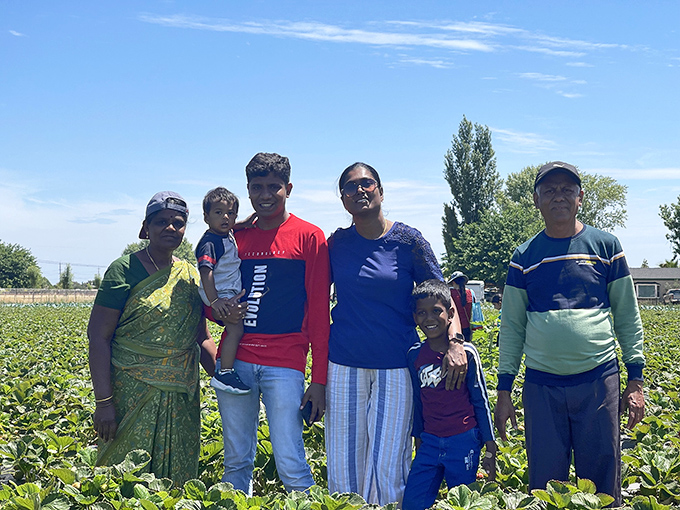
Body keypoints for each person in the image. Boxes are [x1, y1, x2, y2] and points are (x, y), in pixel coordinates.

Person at [493, 161, 645, 506]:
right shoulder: (524, 257)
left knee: (603, 481)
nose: (558, 196)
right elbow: (513, 327)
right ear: (536, 200)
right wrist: (504, 389)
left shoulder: (606, 246)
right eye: (549, 190)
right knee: (546, 485)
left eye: (567, 189)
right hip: (541, 384)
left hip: (598, 379)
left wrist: (635, 380)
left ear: (580, 198)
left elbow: (627, 316)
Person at [325, 162, 468, 506]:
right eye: (350, 187)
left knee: (390, 462)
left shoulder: (408, 241)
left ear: (380, 191)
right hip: (344, 363)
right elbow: (312, 296)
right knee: (343, 463)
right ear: (343, 200)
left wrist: (455, 342)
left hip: (398, 363)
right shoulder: (337, 244)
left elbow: (443, 295)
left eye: (367, 183)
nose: (359, 191)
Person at [215, 152, 330, 494]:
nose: (265, 195)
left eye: (274, 187)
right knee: (235, 461)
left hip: (286, 363)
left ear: (288, 188)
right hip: (235, 362)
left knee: (290, 460)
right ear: (247, 190)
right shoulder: (235, 238)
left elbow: (320, 314)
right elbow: (212, 297)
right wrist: (219, 312)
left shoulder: (310, 237)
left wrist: (318, 380)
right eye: (257, 187)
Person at [88, 191, 217, 484]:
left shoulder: (190, 275)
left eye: (178, 222)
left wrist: (227, 379)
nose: (170, 228)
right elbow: (98, 337)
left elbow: (202, 337)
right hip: (129, 392)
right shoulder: (123, 269)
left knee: (176, 479)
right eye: (161, 222)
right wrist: (104, 402)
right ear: (145, 228)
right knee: (123, 475)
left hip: (181, 394)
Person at [403, 280, 496, 510]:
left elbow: (480, 399)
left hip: (463, 440)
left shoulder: (467, 354)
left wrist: (490, 445)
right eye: (422, 313)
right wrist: (418, 436)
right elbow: (418, 401)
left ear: (450, 313)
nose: (429, 318)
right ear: (415, 317)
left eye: (437, 311)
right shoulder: (414, 355)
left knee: (463, 502)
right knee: (412, 502)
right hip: (430, 441)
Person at [195, 187, 249, 394]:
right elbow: (205, 271)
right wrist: (215, 300)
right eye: (218, 213)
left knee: (236, 328)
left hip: (224, 291)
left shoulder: (226, 234)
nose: (225, 217)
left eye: (231, 213)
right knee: (235, 330)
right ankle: (224, 373)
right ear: (206, 217)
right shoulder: (210, 242)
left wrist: (247, 221)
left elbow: (235, 227)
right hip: (219, 293)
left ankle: (226, 369)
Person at [448, 272, 475, 342]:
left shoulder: (450, 293)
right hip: (468, 327)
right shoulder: (470, 292)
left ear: (453, 282)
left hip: (455, 327)